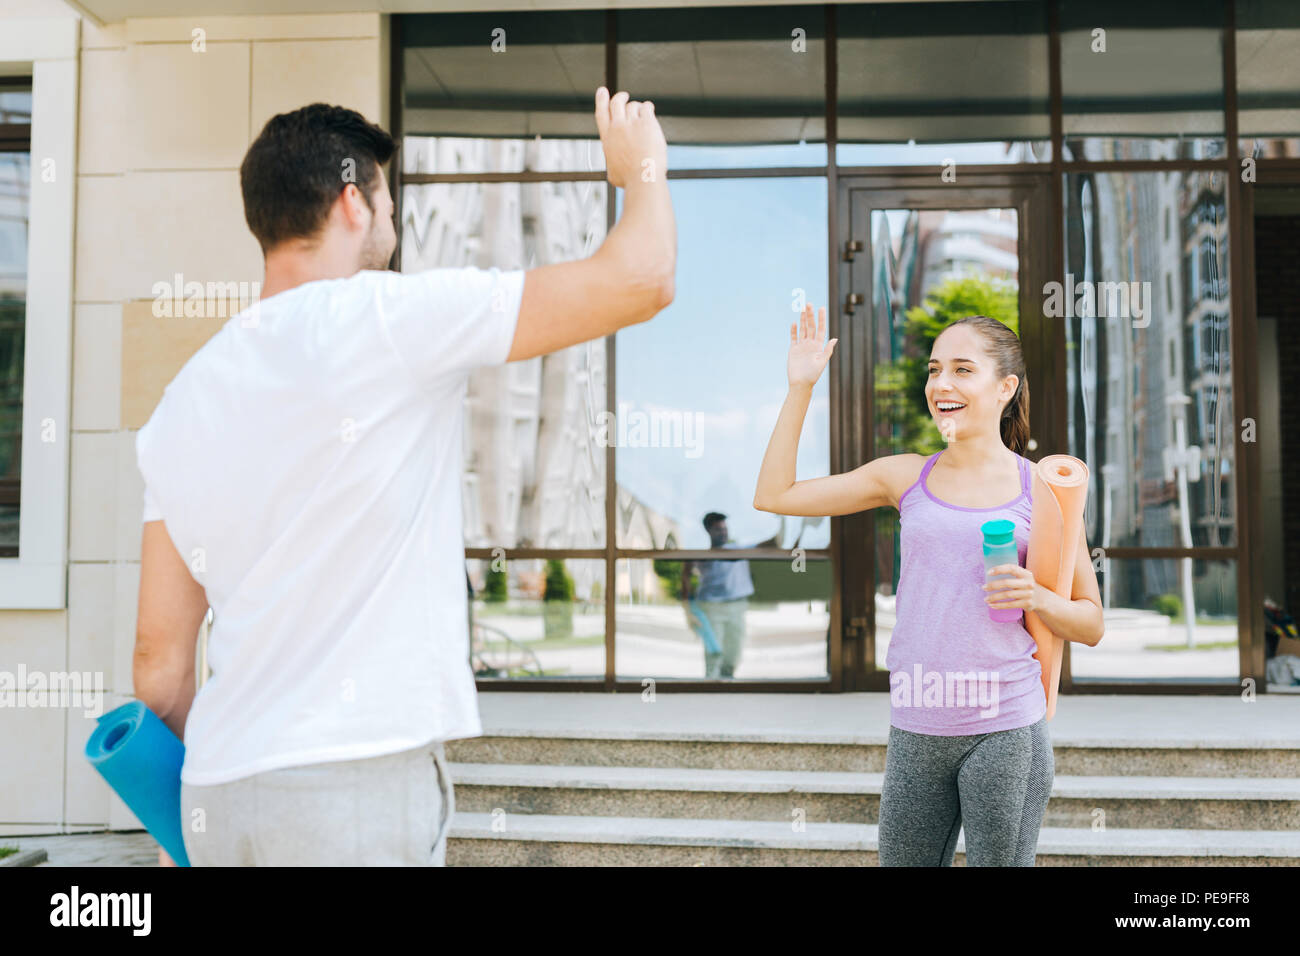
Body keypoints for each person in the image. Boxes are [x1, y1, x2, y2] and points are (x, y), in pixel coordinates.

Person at [132, 88, 674, 866]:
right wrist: (642, 167)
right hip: (349, 788)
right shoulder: (388, 319)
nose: (392, 222)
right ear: (354, 200)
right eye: (388, 200)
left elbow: (157, 667)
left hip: (216, 794)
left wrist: (174, 820)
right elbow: (644, 278)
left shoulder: (181, 403)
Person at [753, 304, 1104, 866]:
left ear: (1005, 387)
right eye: (935, 368)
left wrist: (1035, 597)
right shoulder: (903, 476)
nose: (942, 382)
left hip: (1005, 724)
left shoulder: (1043, 491)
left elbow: (1091, 622)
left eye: (963, 369)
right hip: (917, 722)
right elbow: (775, 496)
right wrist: (800, 388)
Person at [681, 513, 755, 678]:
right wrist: (688, 605)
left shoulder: (738, 550)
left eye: (725, 528)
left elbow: (771, 544)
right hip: (711, 606)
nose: (723, 532)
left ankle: (726, 680)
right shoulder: (703, 554)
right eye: (718, 529)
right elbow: (685, 573)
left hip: (737, 606)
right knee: (714, 650)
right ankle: (712, 684)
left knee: (734, 651)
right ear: (708, 531)